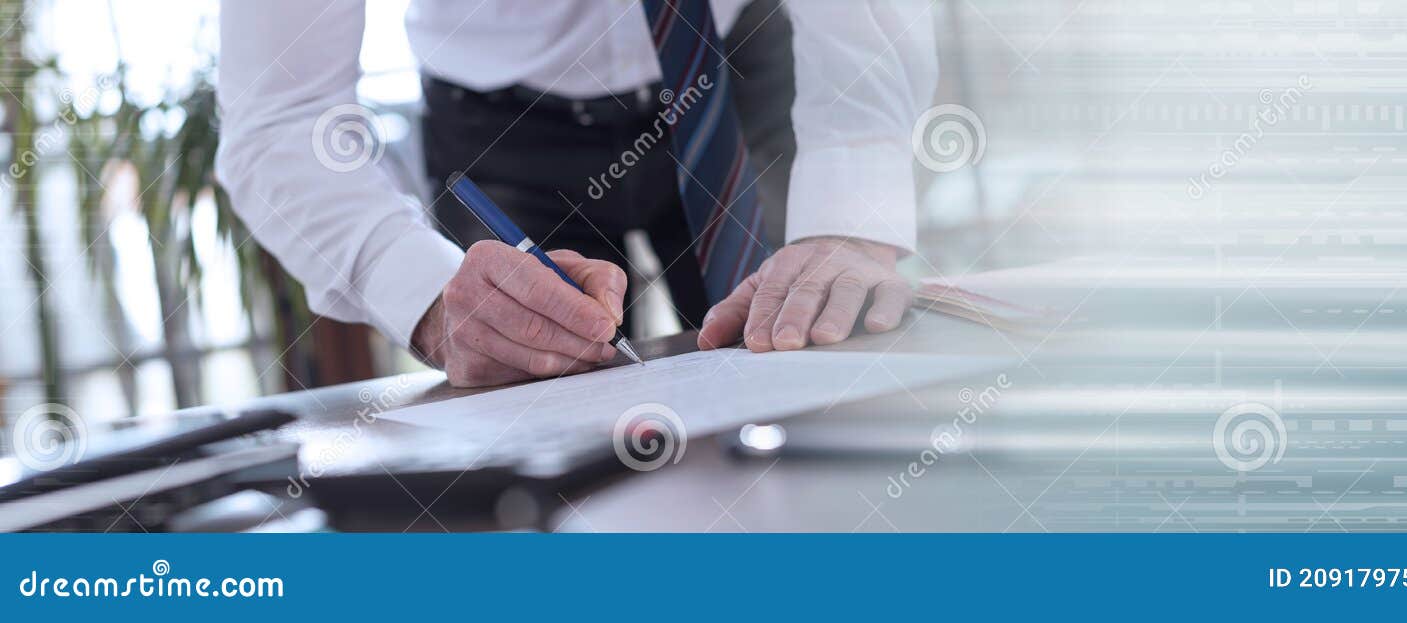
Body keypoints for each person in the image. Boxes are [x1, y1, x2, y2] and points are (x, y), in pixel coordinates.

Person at [216, 0, 936, 387]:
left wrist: (850, 211)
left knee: (813, 371)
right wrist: (429, 298)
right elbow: (279, 115)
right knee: (549, 410)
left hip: (733, 75)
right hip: (504, 124)